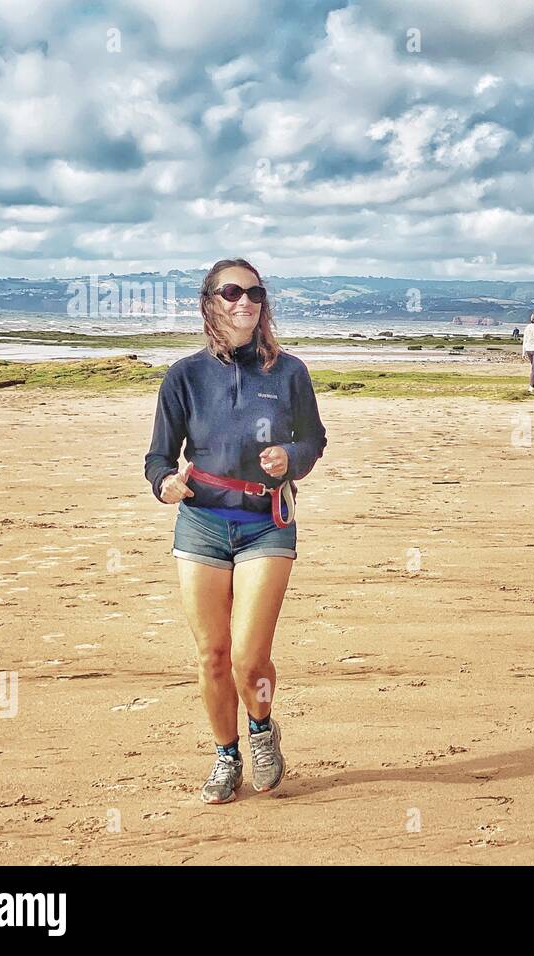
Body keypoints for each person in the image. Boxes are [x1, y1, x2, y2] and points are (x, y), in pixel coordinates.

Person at [144, 257, 327, 805]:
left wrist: (290, 457)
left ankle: (262, 728)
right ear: (209, 303)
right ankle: (227, 755)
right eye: (231, 292)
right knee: (213, 656)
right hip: (200, 525)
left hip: (265, 524)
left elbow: (314, 440)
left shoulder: (289, 373)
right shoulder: (184, 375)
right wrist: (165, 485)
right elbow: (158, 457)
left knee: (249, 658)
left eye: (255, 293)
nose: (244, 302)